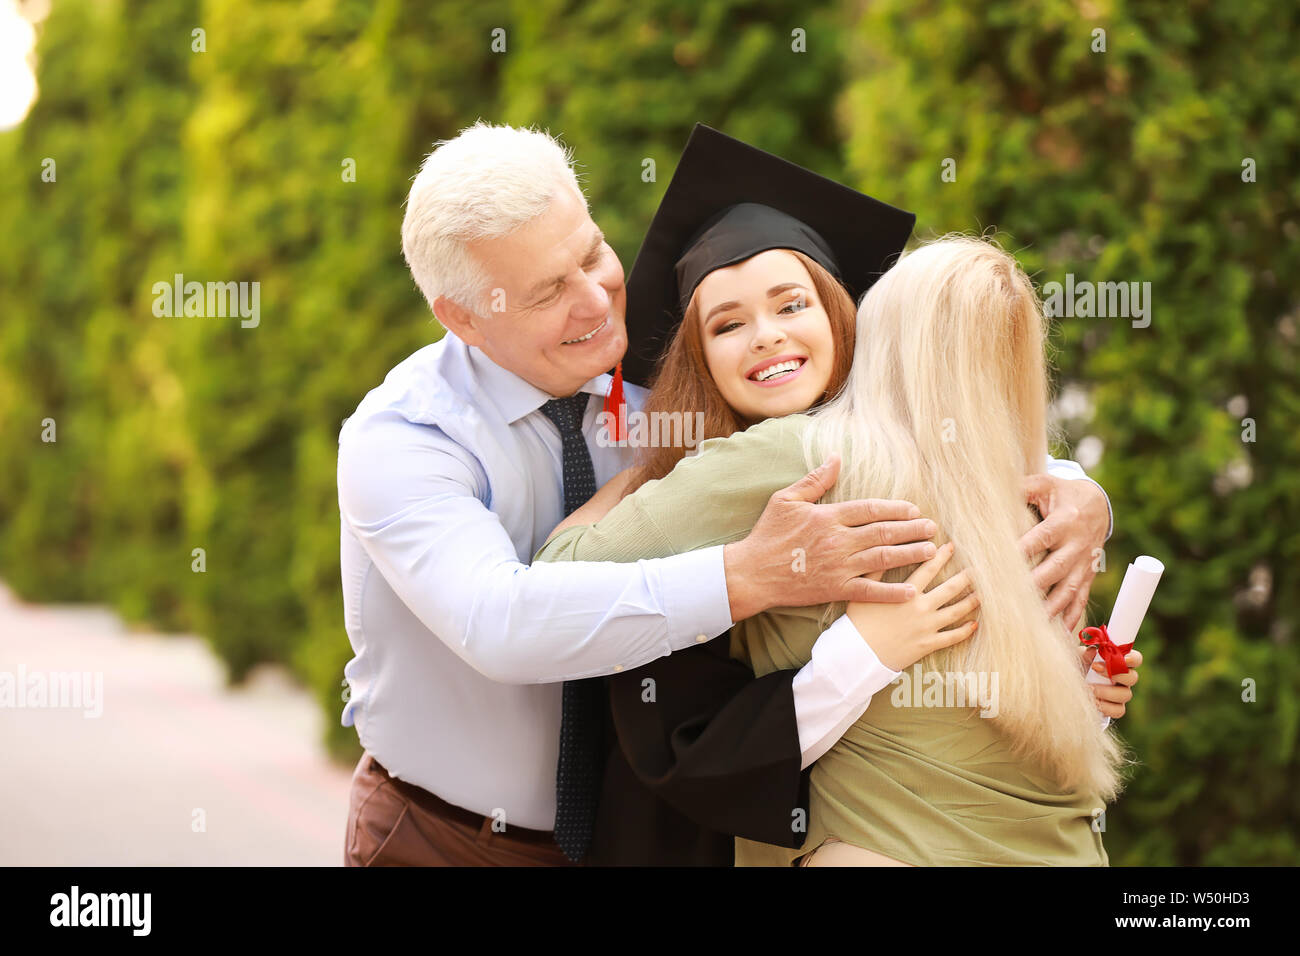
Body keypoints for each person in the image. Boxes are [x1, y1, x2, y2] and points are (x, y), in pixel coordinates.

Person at [336, 122, 947, 866]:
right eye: (549, 291)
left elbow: (890, 427)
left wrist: (1070, 490)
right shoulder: (405, 439)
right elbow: (498, 623)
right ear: (463, 317)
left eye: (592, 252)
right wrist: (748, 575)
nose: (596, 300)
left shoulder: (682, 369)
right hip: (451, 841)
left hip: (651, 836)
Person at [536, 127, 1138, 866]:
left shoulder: (940, 451)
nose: (765, 336)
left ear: (839, 315)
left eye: (792, 305)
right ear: (699, 358)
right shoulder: (721, 485)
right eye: (726, 324)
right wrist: (669, 476)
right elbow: (575, 610)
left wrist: (1075, 669)